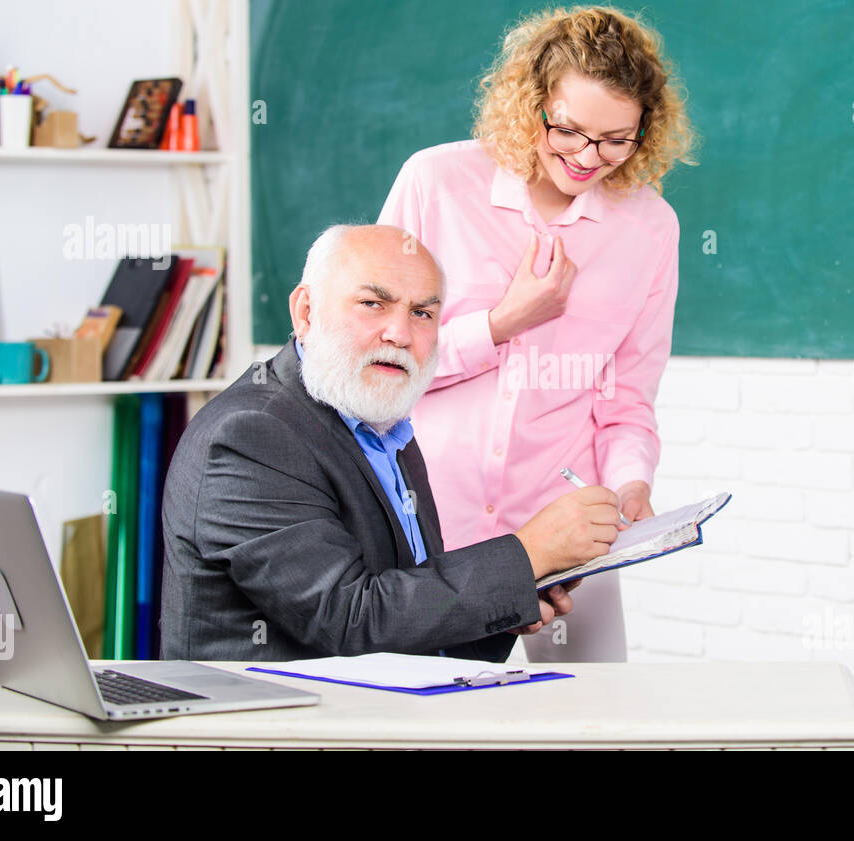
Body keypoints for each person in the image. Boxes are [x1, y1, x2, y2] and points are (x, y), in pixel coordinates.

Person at [377, 7, 695, 661]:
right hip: (433, 524)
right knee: (434, 719)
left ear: (645, 129)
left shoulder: (649, 228)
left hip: (569, 526)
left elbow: (627, 397)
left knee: (596, 718)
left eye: (616, 140)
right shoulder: (436, 185)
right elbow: (378, 360)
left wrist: (632, 482)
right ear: (533, 104)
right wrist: (502, 324)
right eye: (570, 130)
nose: (588, 158)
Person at [160, 225, 620, 662]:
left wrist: (514, 591)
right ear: (305, 312)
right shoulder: (251, 435)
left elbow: (400, 603)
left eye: (422, 313)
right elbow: (348, 620)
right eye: (373, 304)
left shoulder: (384, 423)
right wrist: (528, 552)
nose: (400, 334)